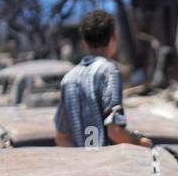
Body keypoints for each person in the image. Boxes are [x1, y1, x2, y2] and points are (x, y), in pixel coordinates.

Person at [54, 9, 152, 149]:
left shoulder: (69, 78)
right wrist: (140, 142)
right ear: (113, 38)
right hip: (106, 166)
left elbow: (61, 138)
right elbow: (115, 132)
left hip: (81, 168)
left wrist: (83, 159)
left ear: (85, 42)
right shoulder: (109, 72)